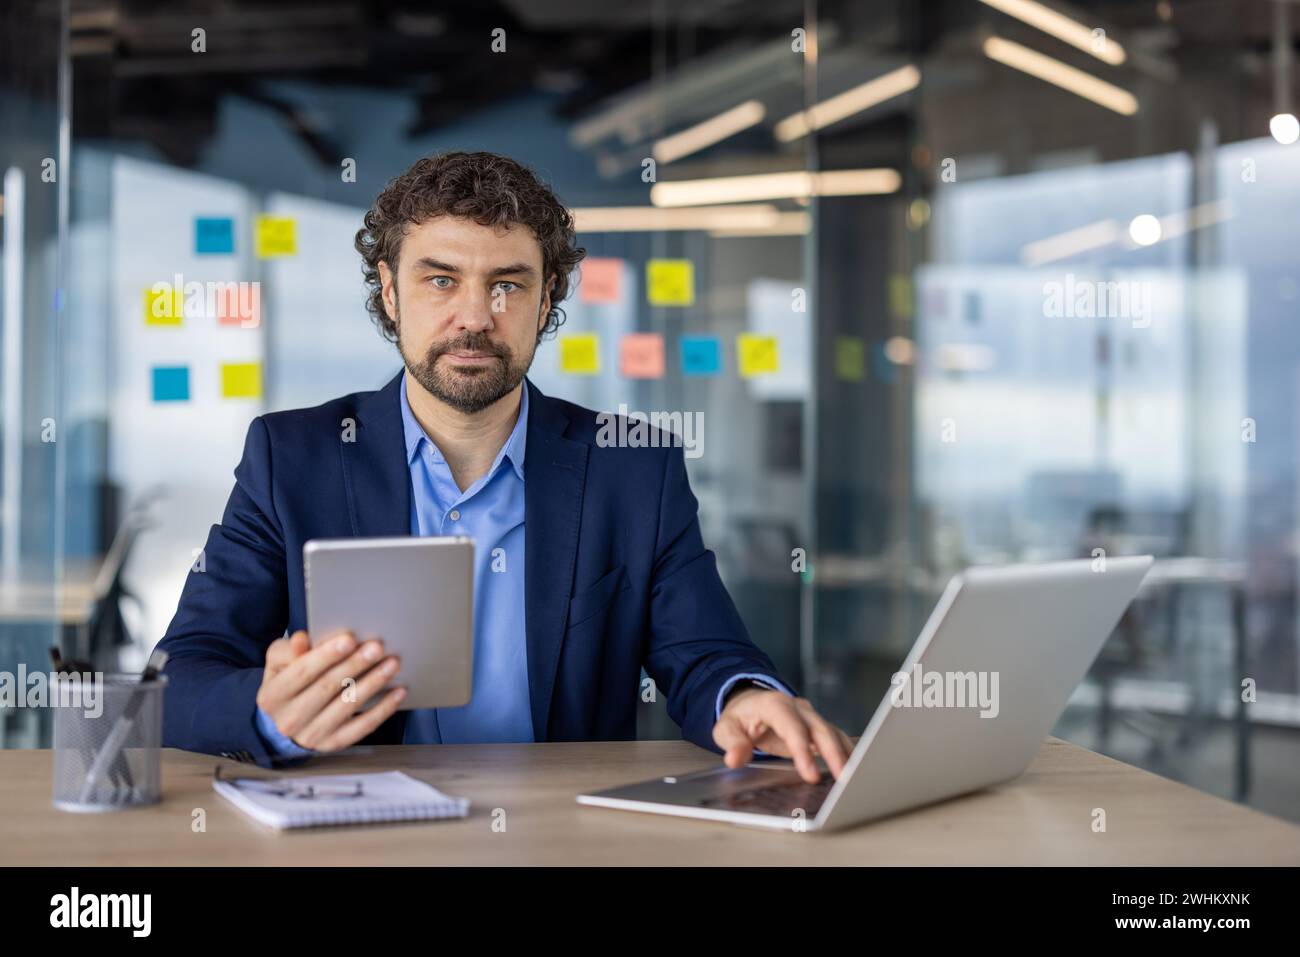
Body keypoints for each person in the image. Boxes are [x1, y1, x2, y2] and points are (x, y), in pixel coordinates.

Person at [157, 150, 852, 783]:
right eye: (440, 280)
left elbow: (707, 655)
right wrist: (270, 713)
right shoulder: (293, 459)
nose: (475, 316)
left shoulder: (633, 469)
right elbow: (179, 676)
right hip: (359, 837)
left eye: (508, 285)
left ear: (547, 298)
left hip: (565, 839)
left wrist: (748, 698)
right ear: (391, 293)